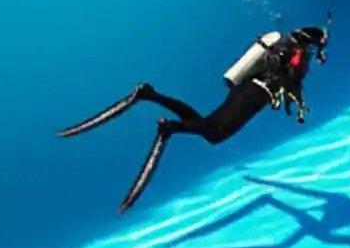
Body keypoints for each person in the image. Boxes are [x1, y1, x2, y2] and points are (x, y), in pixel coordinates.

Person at [57, 16, 331, 214]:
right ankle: (169, 129)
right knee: (215, 134)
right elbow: (294, 86)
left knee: (209, 122)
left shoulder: (281, 43)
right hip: (255, 98)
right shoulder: (298, 55)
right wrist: (300, 98)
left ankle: (150, 95)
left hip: (246, 89)